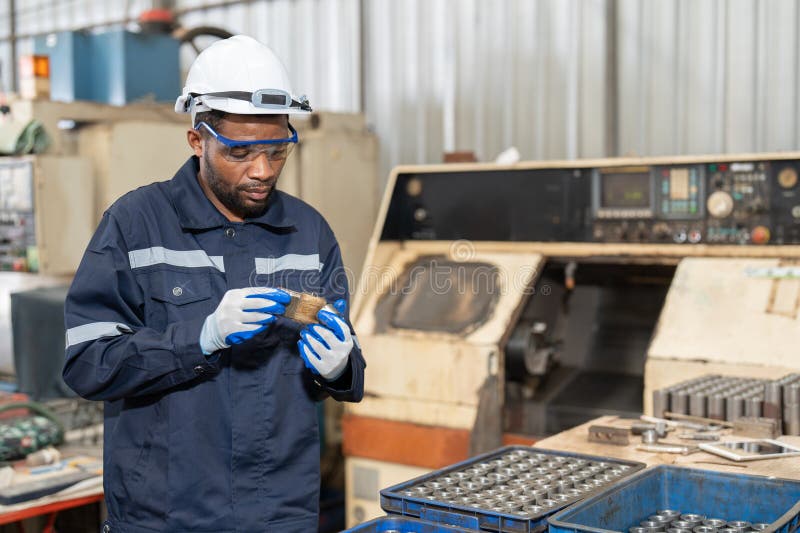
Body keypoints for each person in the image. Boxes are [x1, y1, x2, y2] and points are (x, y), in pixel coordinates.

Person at [63, 35, 365, 532]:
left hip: (278, 513)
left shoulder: (309, 232)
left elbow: (343, 358)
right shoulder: (136, 225)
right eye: (241, 152)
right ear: (197, 140)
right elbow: (87, 364)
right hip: (165, 515)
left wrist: (338, 369)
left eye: (277, 151)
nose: (262, 171)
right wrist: (198, 338)